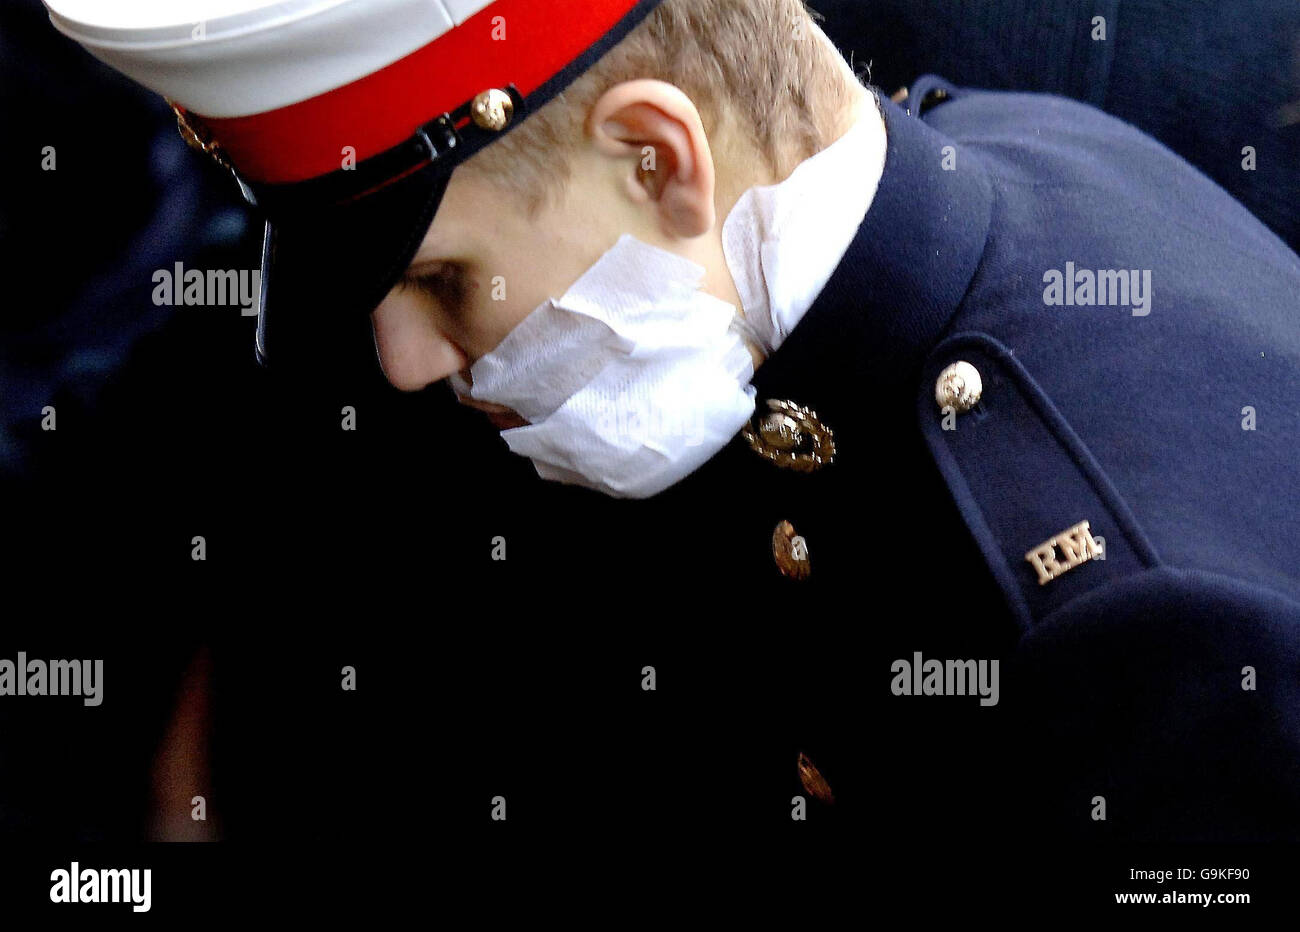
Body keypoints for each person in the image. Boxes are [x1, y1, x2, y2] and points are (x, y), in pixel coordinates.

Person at [45, 0, 1300, 845]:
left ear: (658, 159)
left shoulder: (1131, 632)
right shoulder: (993, 153)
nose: (405, 358)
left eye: (436, 277)